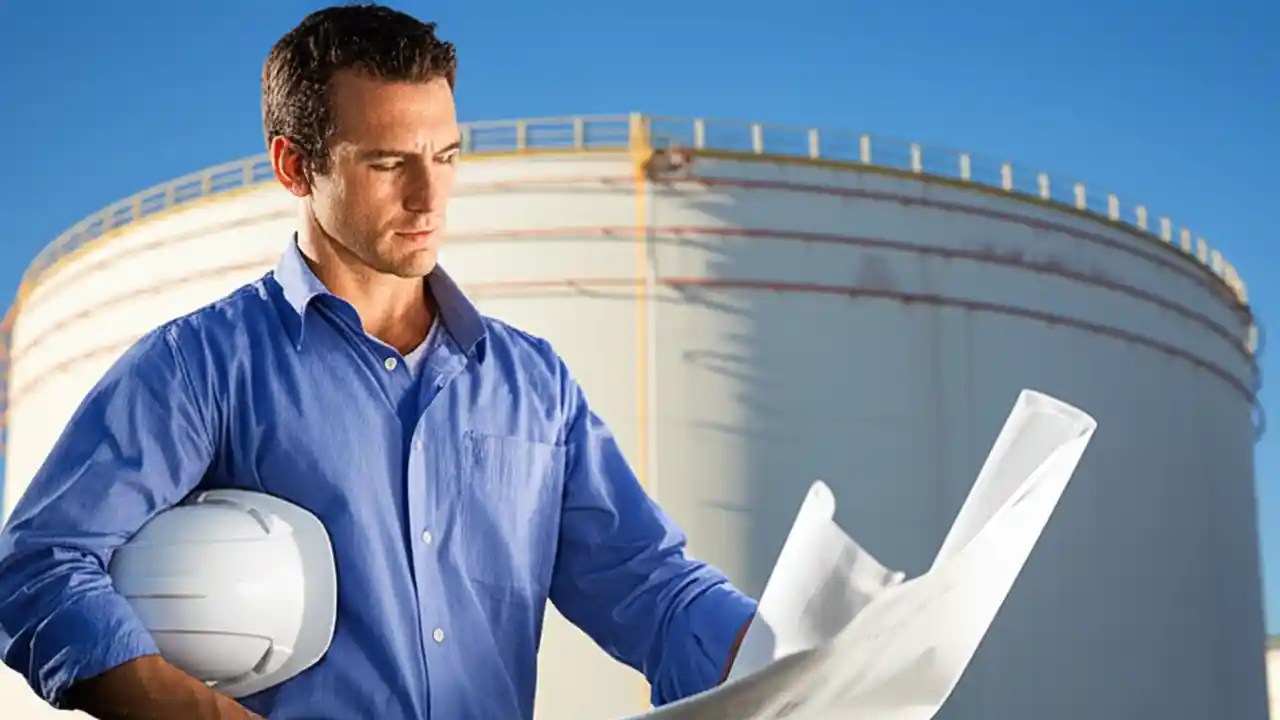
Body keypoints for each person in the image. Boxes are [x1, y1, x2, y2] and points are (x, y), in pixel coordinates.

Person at [0, 5, 757, 719]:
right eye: (389, 163)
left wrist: (802, 651)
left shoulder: (533, 385)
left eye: (446, 156)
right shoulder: (202, 367)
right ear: (295, 166)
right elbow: (39, 568)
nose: (429, 197)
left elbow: (655, 593)